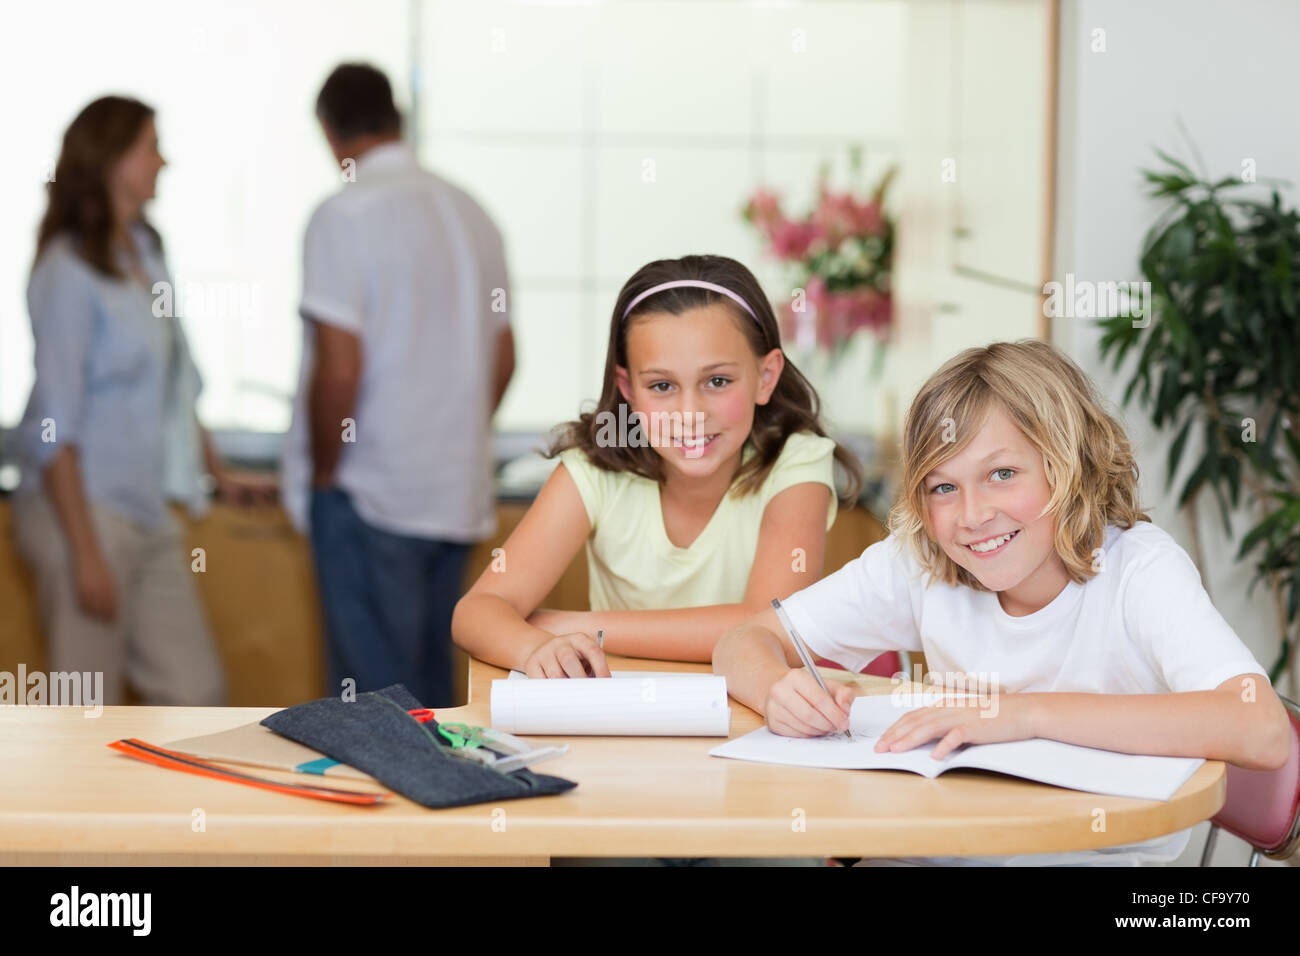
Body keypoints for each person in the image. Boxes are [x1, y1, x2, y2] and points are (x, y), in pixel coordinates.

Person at [714, 339, 1292, 865]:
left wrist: (1024, 714)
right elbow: (745, 640)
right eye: (943, 487)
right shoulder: (921, 558)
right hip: (945, 843)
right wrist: (774, 688)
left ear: (1069, 468)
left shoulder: (1139, 570)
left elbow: (1261, 729)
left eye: (1002, 473)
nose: (971, 515)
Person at [453, 254, 864, 677]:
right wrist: (534, 647)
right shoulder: (594, 475)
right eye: (662, 386)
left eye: (717, 381)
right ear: (628, 388)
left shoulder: (796, 463)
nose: (689, 412)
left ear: (766, 376)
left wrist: (575, 627)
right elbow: (476, 612)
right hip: (623, 720)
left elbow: (777, 628)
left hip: (749, 720)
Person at [12, 96, 273, 706]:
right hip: (84, 513)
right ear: (111, 159)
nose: (164, 160)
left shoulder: (144, 251)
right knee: (84, 709)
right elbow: (54, 426)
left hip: (149, 509)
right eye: (151, 146)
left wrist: (215, 470)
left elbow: (173, 381)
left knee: (196, 694)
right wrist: (84, 553)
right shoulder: (66, 271)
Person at [282, 64, 515, 707]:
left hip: (369, 490)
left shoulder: (344, 214)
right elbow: (504, 355)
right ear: (397, 118)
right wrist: (455, 430)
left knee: (373, 709)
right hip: (457, 489)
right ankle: (440, 803)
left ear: (330, 133)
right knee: (432, 698)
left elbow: (339, 367)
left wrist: (326, 476)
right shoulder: (473, 214)